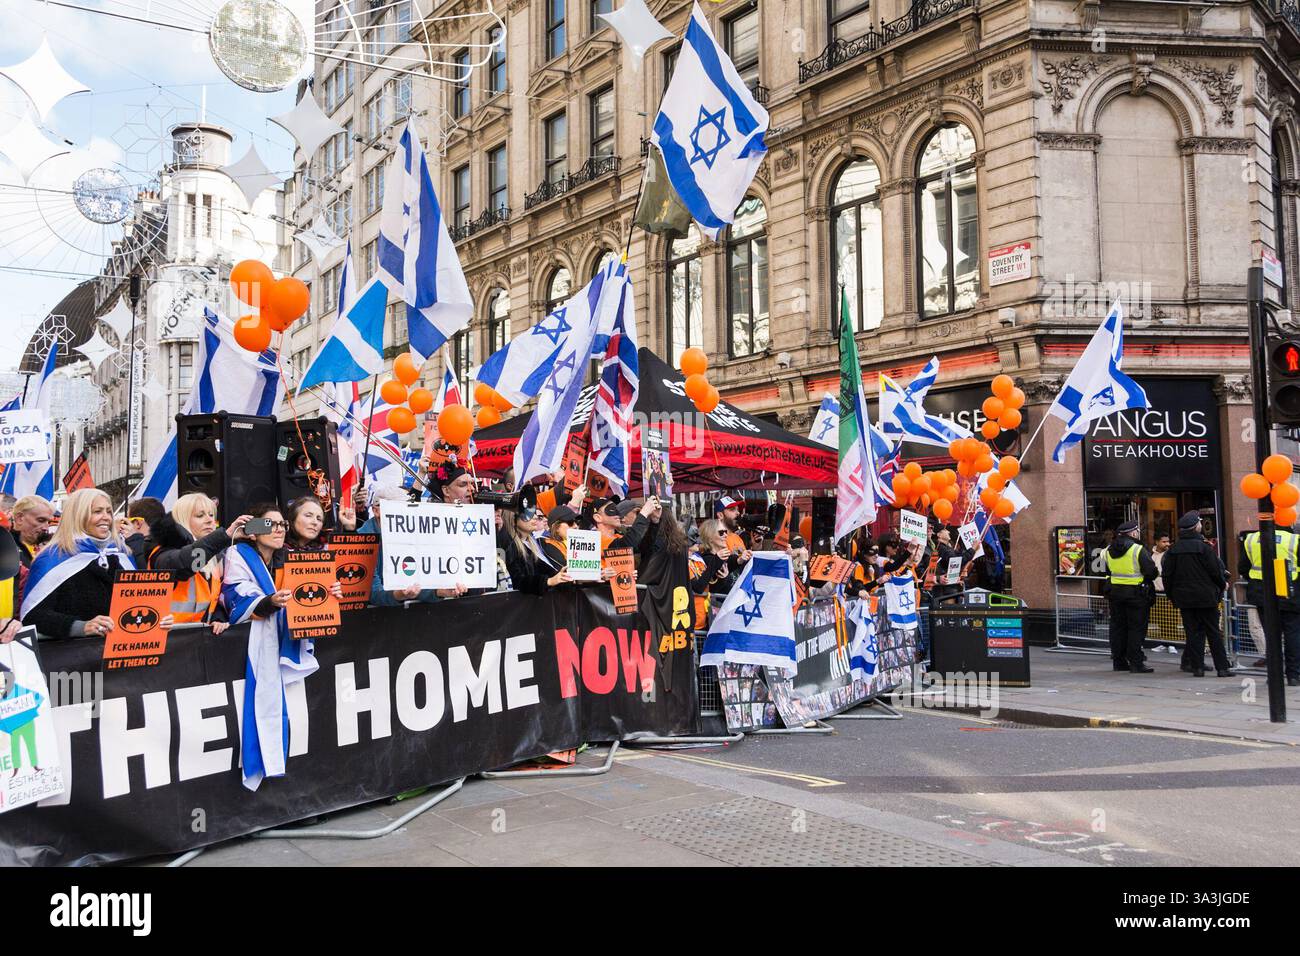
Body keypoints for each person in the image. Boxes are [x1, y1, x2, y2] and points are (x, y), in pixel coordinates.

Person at [220, 503, 334, 791]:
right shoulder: (238, 554)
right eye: (269, 524)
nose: (279, 529)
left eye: (282, 524)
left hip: (285, 647)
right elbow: (236, 593)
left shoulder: (287, 560)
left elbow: (308, 594)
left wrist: (332, 593)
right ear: (254, 530)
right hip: (253, 650)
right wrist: (269, 603)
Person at [21, 488, 163, 641]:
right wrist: (80, 626)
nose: (106, 518)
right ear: (78, 515)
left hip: (118, 654)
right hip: (69, 657)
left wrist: (158, 619)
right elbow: (33, 615)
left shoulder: (122, 554)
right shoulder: (52, 557)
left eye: (109, 511)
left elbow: (136, 608)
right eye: (97, 511)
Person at [145, 493, 249, 633]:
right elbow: (184, 565)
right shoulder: (162, 551)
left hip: (195, 641)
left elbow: (213, 599)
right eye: (200, 516)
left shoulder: (215, 556)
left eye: (211, 515)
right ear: (182, 519)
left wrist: (218, 617)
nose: (209, 521)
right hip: (167, 640)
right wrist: (224, 536)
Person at [358, 483, 464, 604]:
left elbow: (417, 583)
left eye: (406, 508)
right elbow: (372, 593)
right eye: (396, 508)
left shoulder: (408, 536)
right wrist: (399, 595)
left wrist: (438, 591)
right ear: (376, 511)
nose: (404, 514)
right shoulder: (362, 539)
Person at [1160, 511, 1233, 677]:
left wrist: (1172, 596)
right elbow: (1216, 572)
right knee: (1213, 632)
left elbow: (1167, 575)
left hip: (1185, 598)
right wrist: (1222, 585)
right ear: (1195, 527)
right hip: (1206, 597)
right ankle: (1222, 668)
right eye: (1200, 522)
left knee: (1193, 633)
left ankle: (1197, 667)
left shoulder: (1173, 550)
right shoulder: (1204, 548)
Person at [1241, 517, 1300, 686]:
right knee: (1293, 635)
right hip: (1290, 594)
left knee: (1271, 635)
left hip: (1263, 595)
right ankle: (1294, 675)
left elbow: (1243, 568)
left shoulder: (1252, 539)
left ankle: (1274, 675)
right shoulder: (1294, 540)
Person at [1104, 518, 1158, 673]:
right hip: (1136, 595)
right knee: (1136, 629)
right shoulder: (1137, 549)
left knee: (1118, 628)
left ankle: (1119, 661)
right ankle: (1136, 662)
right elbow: (1151, 571)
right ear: (1133, 532)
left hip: (1115, 594)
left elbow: (1108, 571)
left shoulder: (1108, 549)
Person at [499, 504, 570, 595]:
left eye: (534, 513)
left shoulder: (532, 544)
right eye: (528, 513)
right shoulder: (508, 545)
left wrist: (567, 578)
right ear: (513, 519)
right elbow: (517, 581)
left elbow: (548, 571)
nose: (535, 517)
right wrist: (549, 581)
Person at [284, 496, 356, 551]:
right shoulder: (278, 548)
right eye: (308, 516)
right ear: (293, 519)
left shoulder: (329, 549)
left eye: (319, 519)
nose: (315, 522)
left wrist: (350, 530)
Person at [10, 495, 53, 568]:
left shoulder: (43, 550)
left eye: (48, 522)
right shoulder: (5, 548)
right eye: (41, 520)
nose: (46, 528)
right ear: (19, 518)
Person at [123, 497, 165, 567]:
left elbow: (148, 574)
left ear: (138, 523)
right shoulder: (173, 544)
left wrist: (133, 540)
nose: (124, 525)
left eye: (127, 521)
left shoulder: (137, 547)